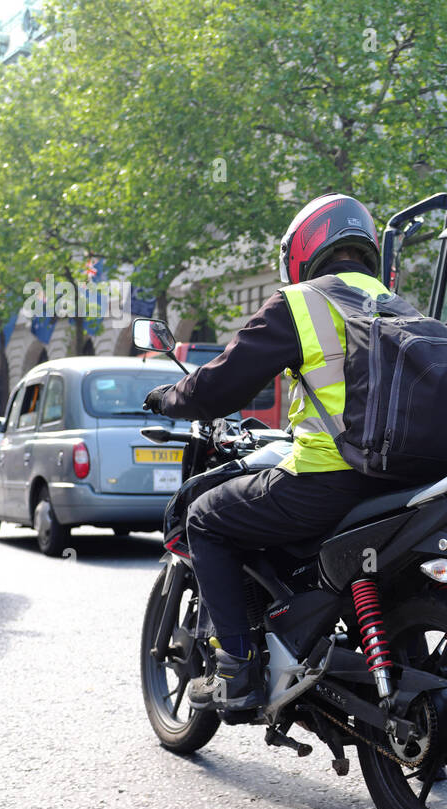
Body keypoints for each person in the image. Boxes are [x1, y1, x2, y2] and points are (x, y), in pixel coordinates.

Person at [142, 193, 399, 713]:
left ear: (304, 249)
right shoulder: (398, 306)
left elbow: (224, 384)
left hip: (332, 478)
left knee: (205, 519)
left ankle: (237, 671)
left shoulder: (302, 302)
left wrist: (171, 398)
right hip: (407, 483)